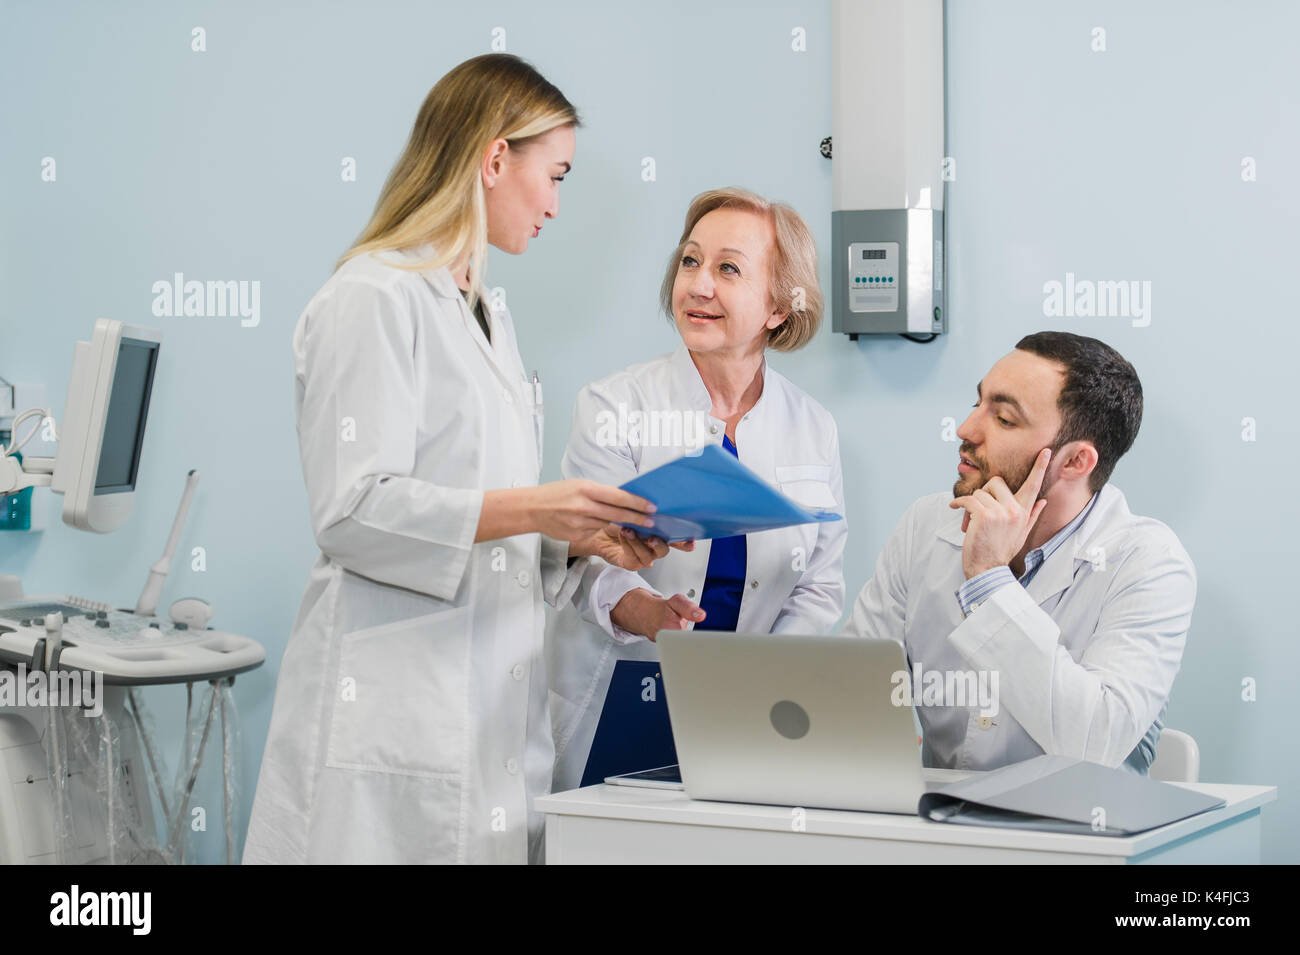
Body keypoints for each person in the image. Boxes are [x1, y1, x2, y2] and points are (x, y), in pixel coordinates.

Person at [243, 54, 672, 865]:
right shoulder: (372, 297)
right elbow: (352, 510)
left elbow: (475, 512)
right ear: (495, 157)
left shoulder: (487, 317)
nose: (555, 203)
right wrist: (540, 508)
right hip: (389, 724)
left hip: (484, 725)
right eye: (555, 174)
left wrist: (575, 539)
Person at [547, 187, 847, 794]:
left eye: (727, 268)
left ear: (778, 309)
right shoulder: (615, 405)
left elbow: (820, 585)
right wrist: (650, 614)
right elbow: (582, 559)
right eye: (690, 261)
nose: (698, 285)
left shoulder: (813, 426)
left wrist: (766, 676)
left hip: (750, 710)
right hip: (625, 691)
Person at [844, 331, 1195, 773]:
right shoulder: (925, 527)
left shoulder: (1148, 563)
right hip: (939, 828)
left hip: (1082, 832)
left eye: (1004, 419)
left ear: (1074, 462)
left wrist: (990, 580)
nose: (967, 429)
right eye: (979, 404)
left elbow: (1094, 742)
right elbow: (850, 688)